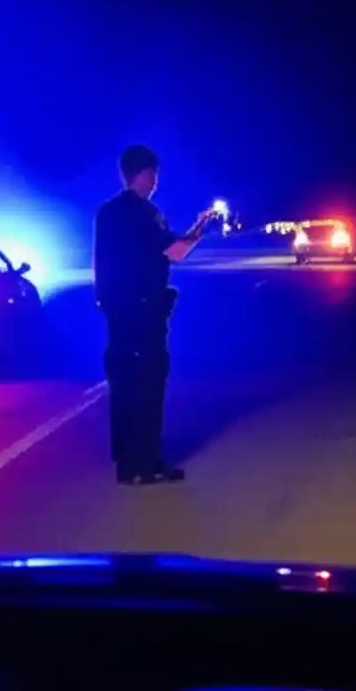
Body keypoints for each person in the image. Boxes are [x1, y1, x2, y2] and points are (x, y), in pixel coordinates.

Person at [94, 144, 220, 485]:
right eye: (154, 174)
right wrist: (201, 228)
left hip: (118, 314)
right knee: (148, 386)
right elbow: (176, 252)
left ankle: (126, 461)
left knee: (122, 385)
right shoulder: (143, 213)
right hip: (144, 312)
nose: (156, 182)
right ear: (144, 174)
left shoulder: (108, 213)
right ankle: (145, 464)